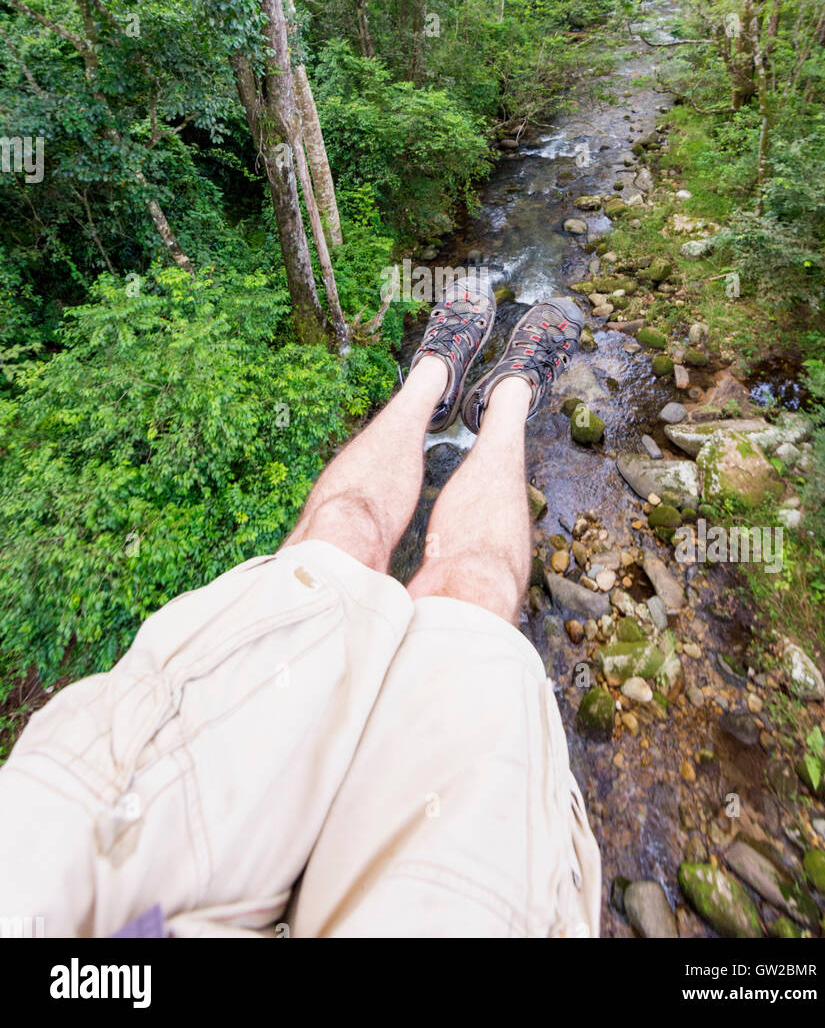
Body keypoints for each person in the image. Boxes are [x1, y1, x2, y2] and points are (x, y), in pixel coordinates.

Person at [0, 278, 601, 939]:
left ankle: (433, 376)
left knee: (343, 531)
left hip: (88, 882)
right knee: (478, 587)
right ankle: (512, 395)